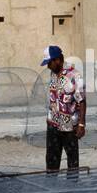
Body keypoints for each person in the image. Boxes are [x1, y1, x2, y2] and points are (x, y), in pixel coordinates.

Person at [41, 45, 86, 173]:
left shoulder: (74, 76)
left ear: (58, 60)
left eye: (49, 63)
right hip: (53, 124)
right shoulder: (53, 74)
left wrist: (81, 124)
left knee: (72, 160)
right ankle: (52, 188)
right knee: (51, 159)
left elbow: (82, 101)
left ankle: (72, 188)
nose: (48, 66)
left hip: (69, 126)